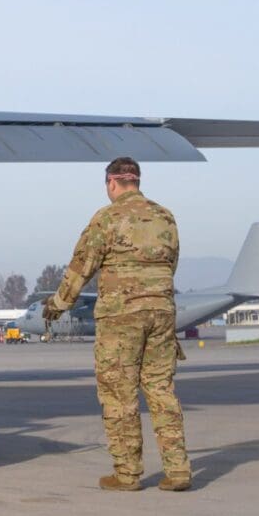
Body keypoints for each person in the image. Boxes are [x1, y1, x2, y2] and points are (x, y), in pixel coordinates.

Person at [45, 157, 191, 492]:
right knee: (161, 389)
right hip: (161, 312)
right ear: (136, 181)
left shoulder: (107, 218)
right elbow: (172, 263)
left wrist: (57, 304)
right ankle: (178, 470)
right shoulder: (165, 217)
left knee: (119, 393)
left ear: (112, 183)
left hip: (120, 318)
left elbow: (83, 266)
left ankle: (127, 474)